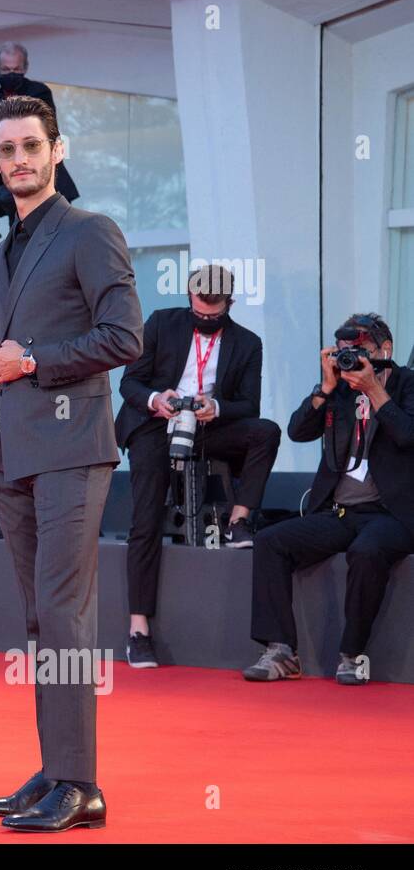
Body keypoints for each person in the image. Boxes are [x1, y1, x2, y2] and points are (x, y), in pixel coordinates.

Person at [0, 95, 143, 831]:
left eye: (31, 146)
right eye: (6, 149)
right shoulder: (2, 249)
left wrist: (33, 360)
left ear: (57, 149)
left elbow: (126, 337)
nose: (19, 160)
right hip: (14, 453)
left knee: (68, 617)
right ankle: (55, 769)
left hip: (73, 452)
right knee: (43, 618)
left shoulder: (89, 231)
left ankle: (82, 784)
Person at [115, 265, 281, 667]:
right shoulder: (160, 323)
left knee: (266, 431)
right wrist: (158, 399)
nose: (205, 319)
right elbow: (129, 383)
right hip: (155, 425)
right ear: (189, 298)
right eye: (199, 311)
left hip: (208, 426)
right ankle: (139, 630)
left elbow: (250, 405)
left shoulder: (248, 342)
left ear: (230, 303)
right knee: (145, 519)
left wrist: (216, 407)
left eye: (214, 314)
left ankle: (239, 519)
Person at [245, 313, 414, 686]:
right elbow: (297, 430)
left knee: (367, 551)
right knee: (270, 541)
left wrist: (374, 389)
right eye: (344, 353)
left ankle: (353, 655)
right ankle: (281, 651)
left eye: (360, 352)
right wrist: (324, 386)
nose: (352, 360)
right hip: (338, 511)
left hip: (392, 514)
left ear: (384, 350)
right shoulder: (337, 389)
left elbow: (408, 436)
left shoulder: (406, 384)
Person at [0, 42, 79, 225]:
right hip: (15, 190)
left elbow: (22, 115)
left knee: (56, 244)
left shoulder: (38, 91)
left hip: (45, 187)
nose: (11, 74)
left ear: (25, 68)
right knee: (21, 249)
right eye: (6, 70)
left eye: (17, 69)